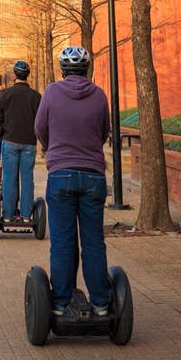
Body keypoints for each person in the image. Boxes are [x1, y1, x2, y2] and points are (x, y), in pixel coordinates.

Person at [34, 46, 111, 318]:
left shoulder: (52, 93)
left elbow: (39, 127)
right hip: (93, 176)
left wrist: (50, 148)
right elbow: (104, 131)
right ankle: (101, 302)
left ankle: (60, 302)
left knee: (63, 241)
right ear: (86, 69)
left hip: (61, 175)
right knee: (93, 241)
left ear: (63, 69)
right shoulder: (100, 95)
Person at [0, 60, 41, 224]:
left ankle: (8, 215)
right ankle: (26, 215)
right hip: (29, 142)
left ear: (14, 75)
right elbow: (40, 121)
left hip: (10, 141)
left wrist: (2, 134)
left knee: (9, 178)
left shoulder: (5, 94)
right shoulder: (36, 96)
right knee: (27, 178)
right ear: (27, 75)